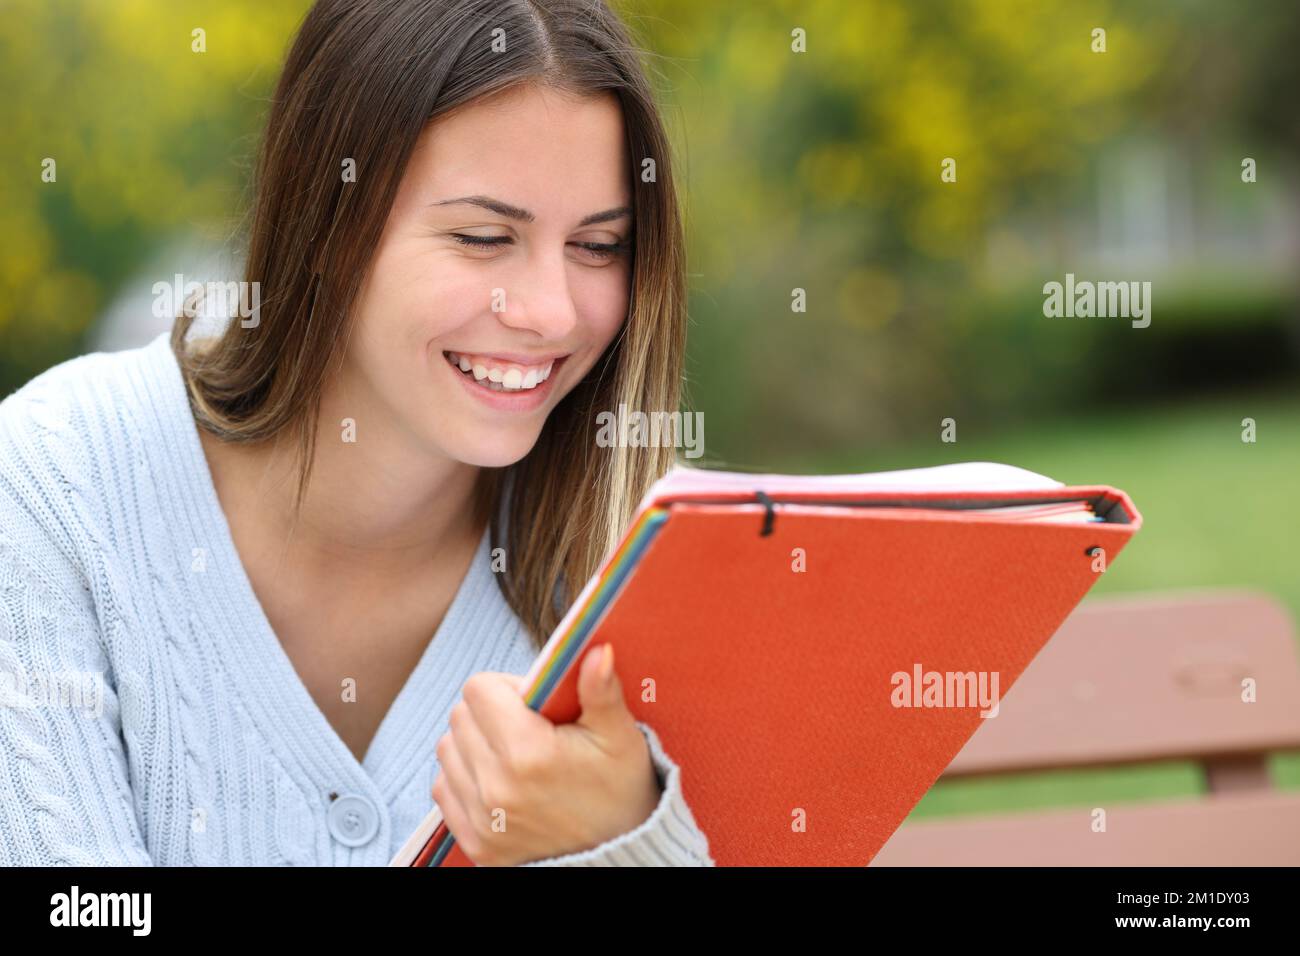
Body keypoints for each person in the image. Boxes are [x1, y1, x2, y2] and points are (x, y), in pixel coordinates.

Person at [0, 0, 712, 866]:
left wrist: (629, 842)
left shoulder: (655, 546)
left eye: (599, 247)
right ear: (327, 227)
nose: (553, 313)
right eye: (485, 238)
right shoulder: (54, 481)